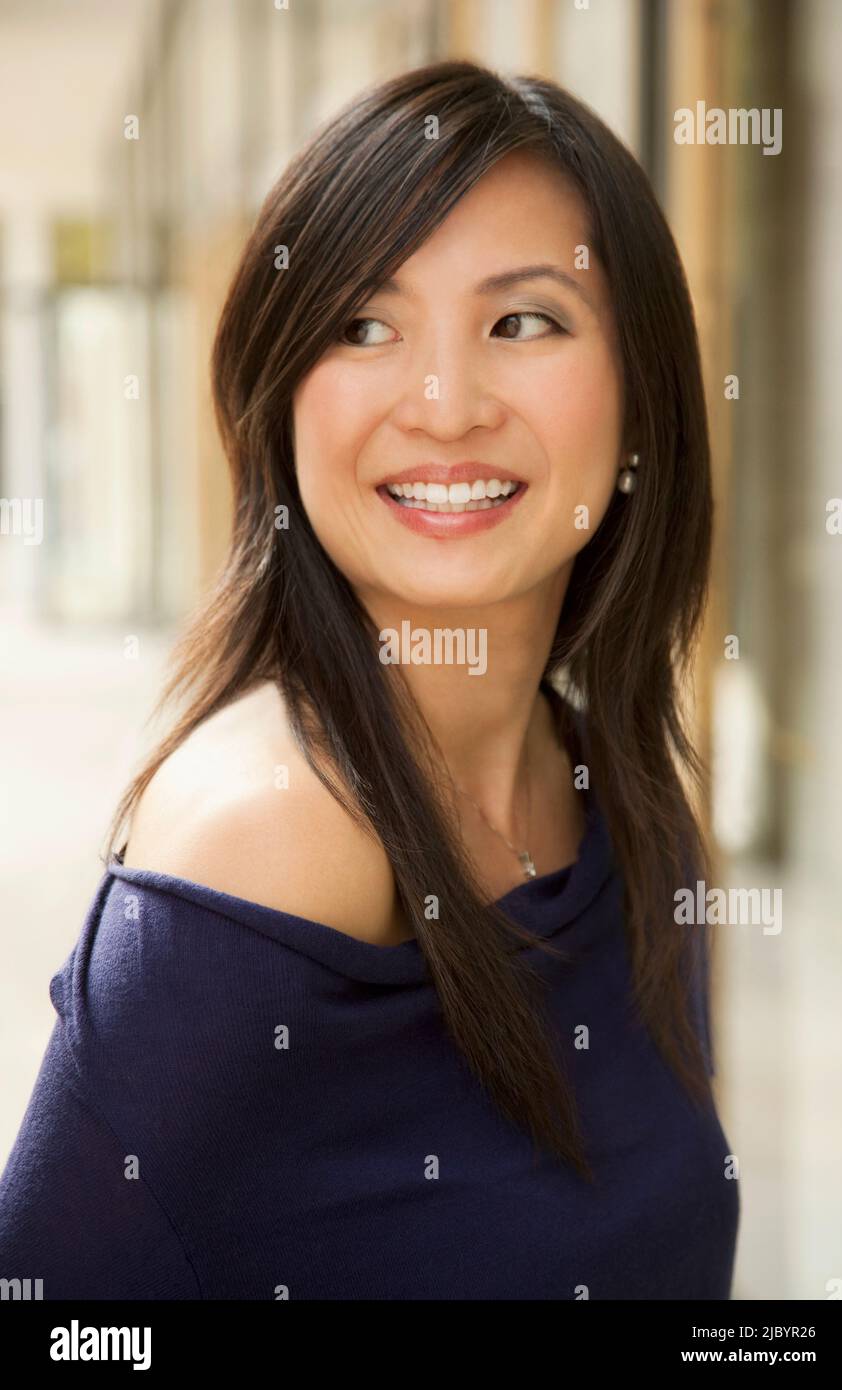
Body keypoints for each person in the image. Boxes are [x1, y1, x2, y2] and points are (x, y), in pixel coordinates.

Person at [0, 59, 739, 1300]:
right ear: (280, 394)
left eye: (522, 321)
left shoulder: (621, 797)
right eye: (362, 325)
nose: (443, 406)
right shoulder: (269, 833)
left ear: (639, 397)